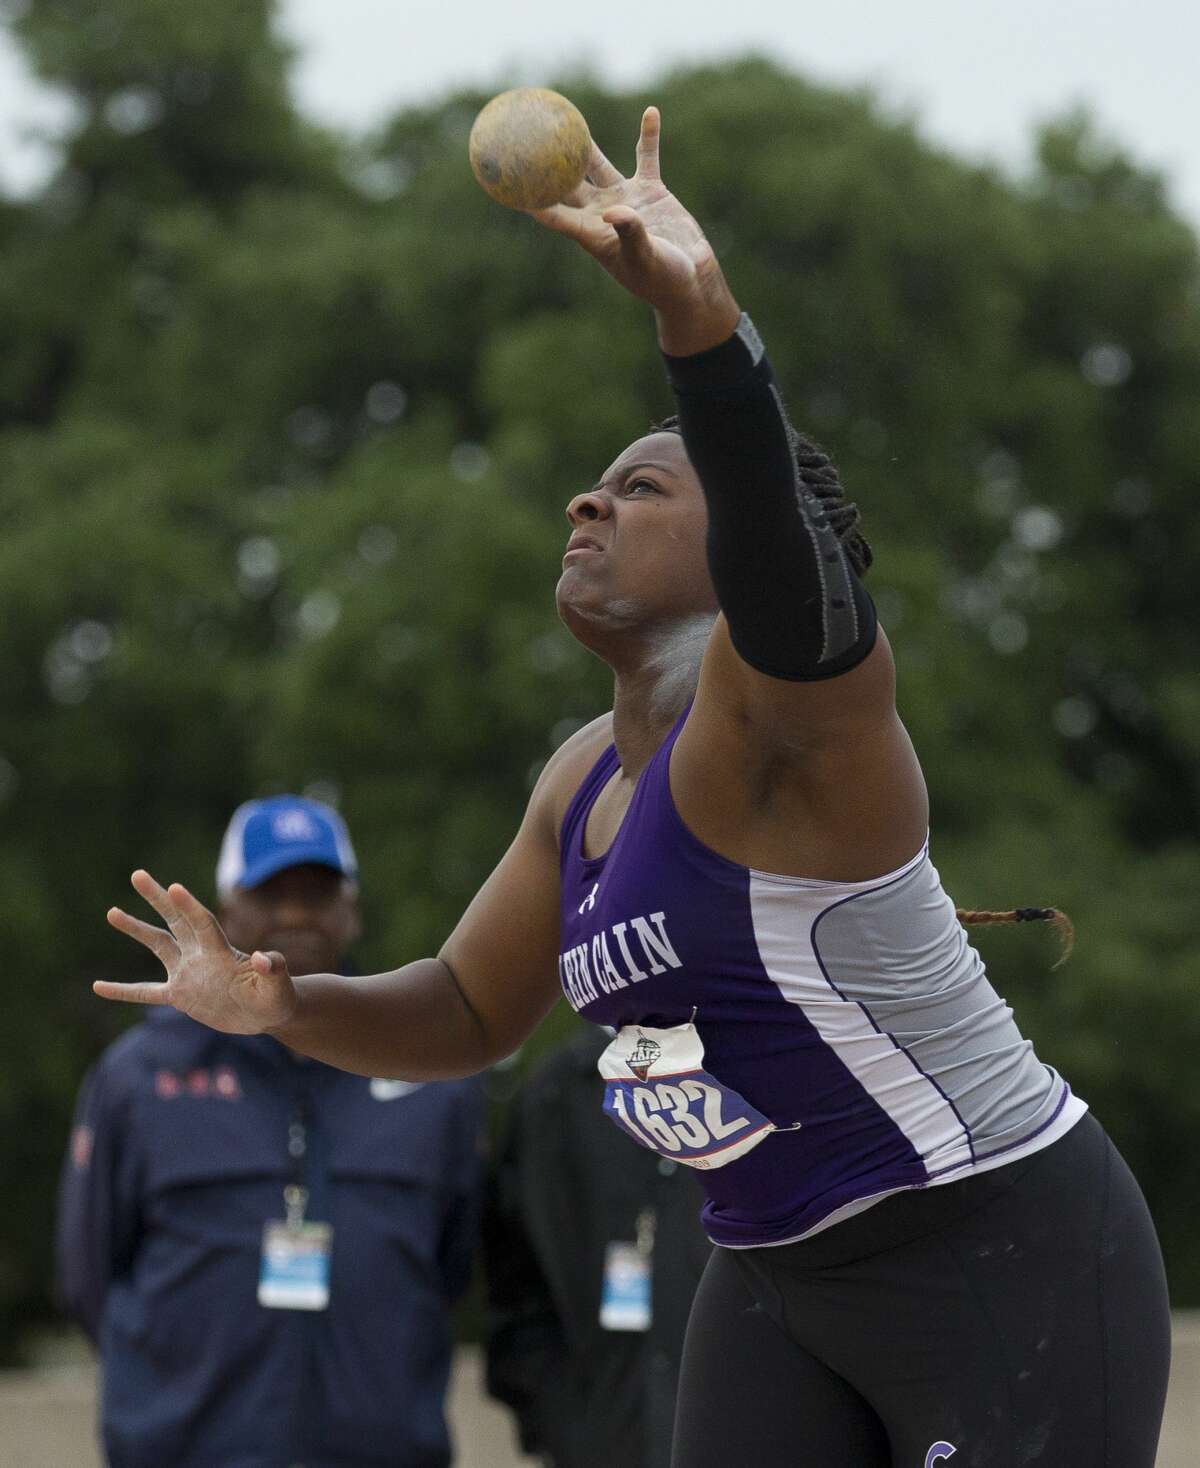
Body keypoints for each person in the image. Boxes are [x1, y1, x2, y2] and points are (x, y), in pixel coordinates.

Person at [95, 107, 1171, 1467]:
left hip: (992, 1239)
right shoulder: (583, 778)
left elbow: (788, 574)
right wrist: (285, 1008)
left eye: (642, 488)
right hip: (776, 1272)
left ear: (747, 536)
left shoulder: (793, 722)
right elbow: (473, 1007)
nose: (584, 507)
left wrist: (701, 319)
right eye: (594, 488)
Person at [60, 795, 484, 1468]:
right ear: (227, 910)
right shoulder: (139, 1077)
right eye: (270, 890)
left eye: (317, 890)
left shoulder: (430, 1070)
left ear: (352, 910)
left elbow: (455, 1268)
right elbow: (89, 1276)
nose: (294, 912)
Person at [483, 1024, 710, 1468]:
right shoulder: (556, 1094)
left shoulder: (765, 1081)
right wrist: (556, 1421)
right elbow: (511, 1281)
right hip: (598, 1440)